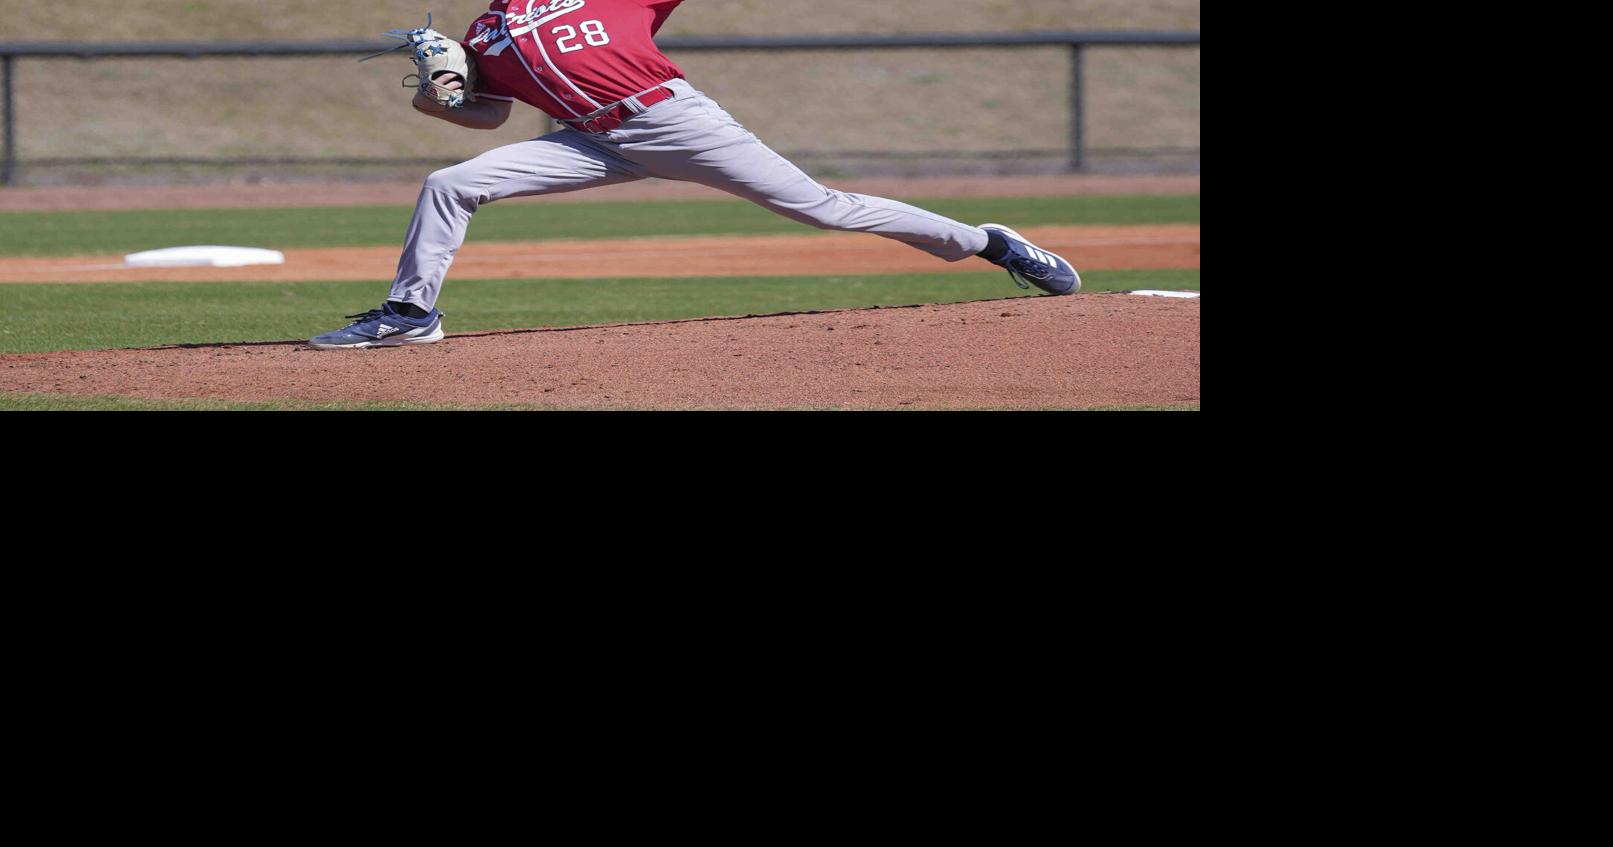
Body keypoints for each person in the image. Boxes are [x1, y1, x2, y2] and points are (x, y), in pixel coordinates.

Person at [311, 0, 1080, 349]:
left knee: (823, 209)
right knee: (452, 182)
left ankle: (986, 242)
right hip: (592, 140)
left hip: (675, 121)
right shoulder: (481, 36)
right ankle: (411, 315)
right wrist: (439, 97)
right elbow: (487, 117)